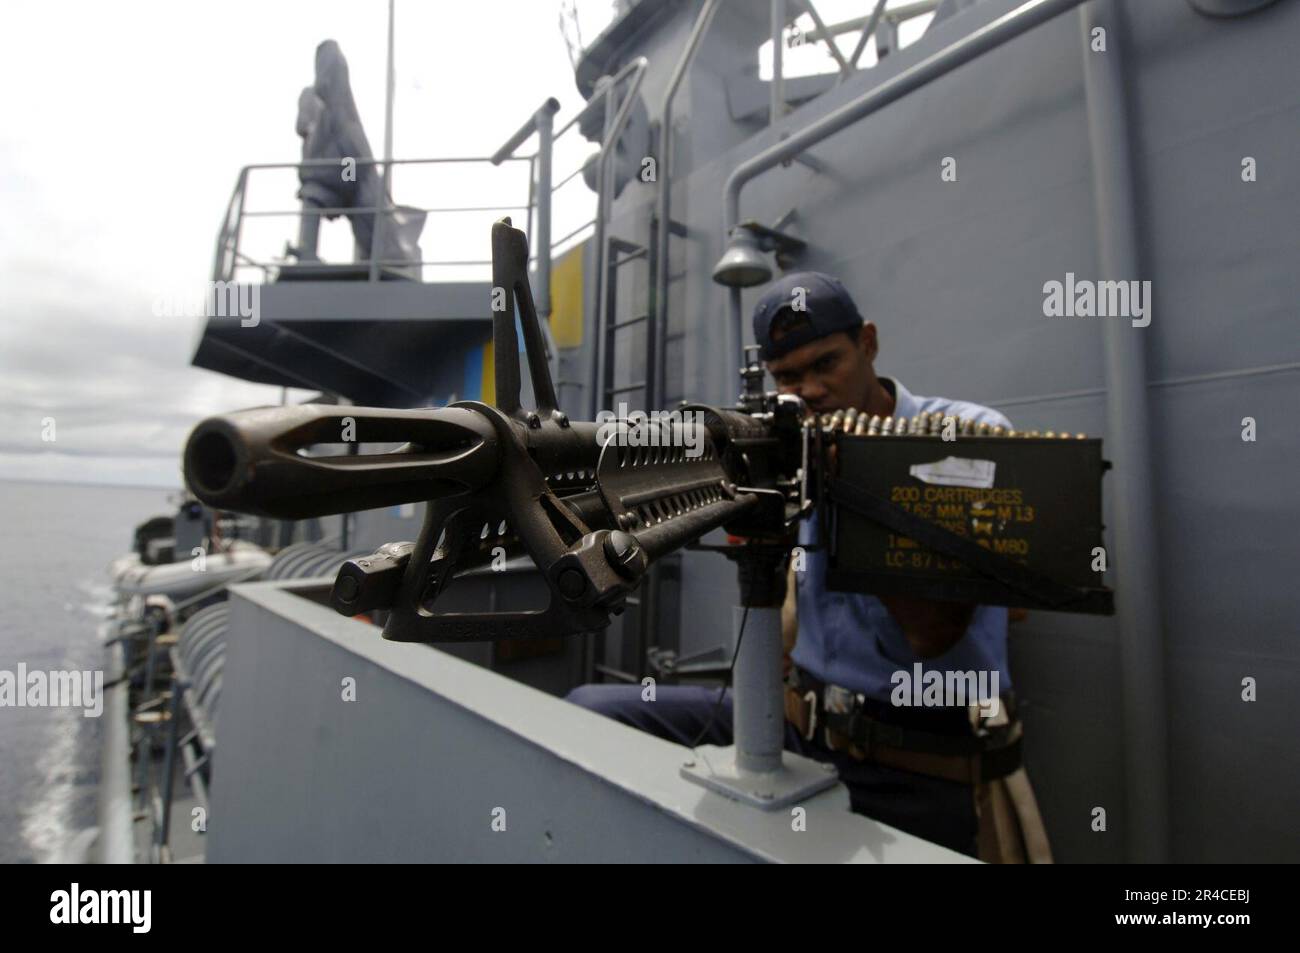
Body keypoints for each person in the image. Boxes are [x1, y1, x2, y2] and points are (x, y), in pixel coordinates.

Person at [566, 271, 1052, 862]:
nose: (811, 391)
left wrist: (857, 486)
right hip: (799, 732)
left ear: (868, 344)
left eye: (828, 364)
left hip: (921, 761)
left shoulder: (965, 439)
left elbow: (933, 633)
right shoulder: (798, 448)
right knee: (592, 713)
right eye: (789, 378)